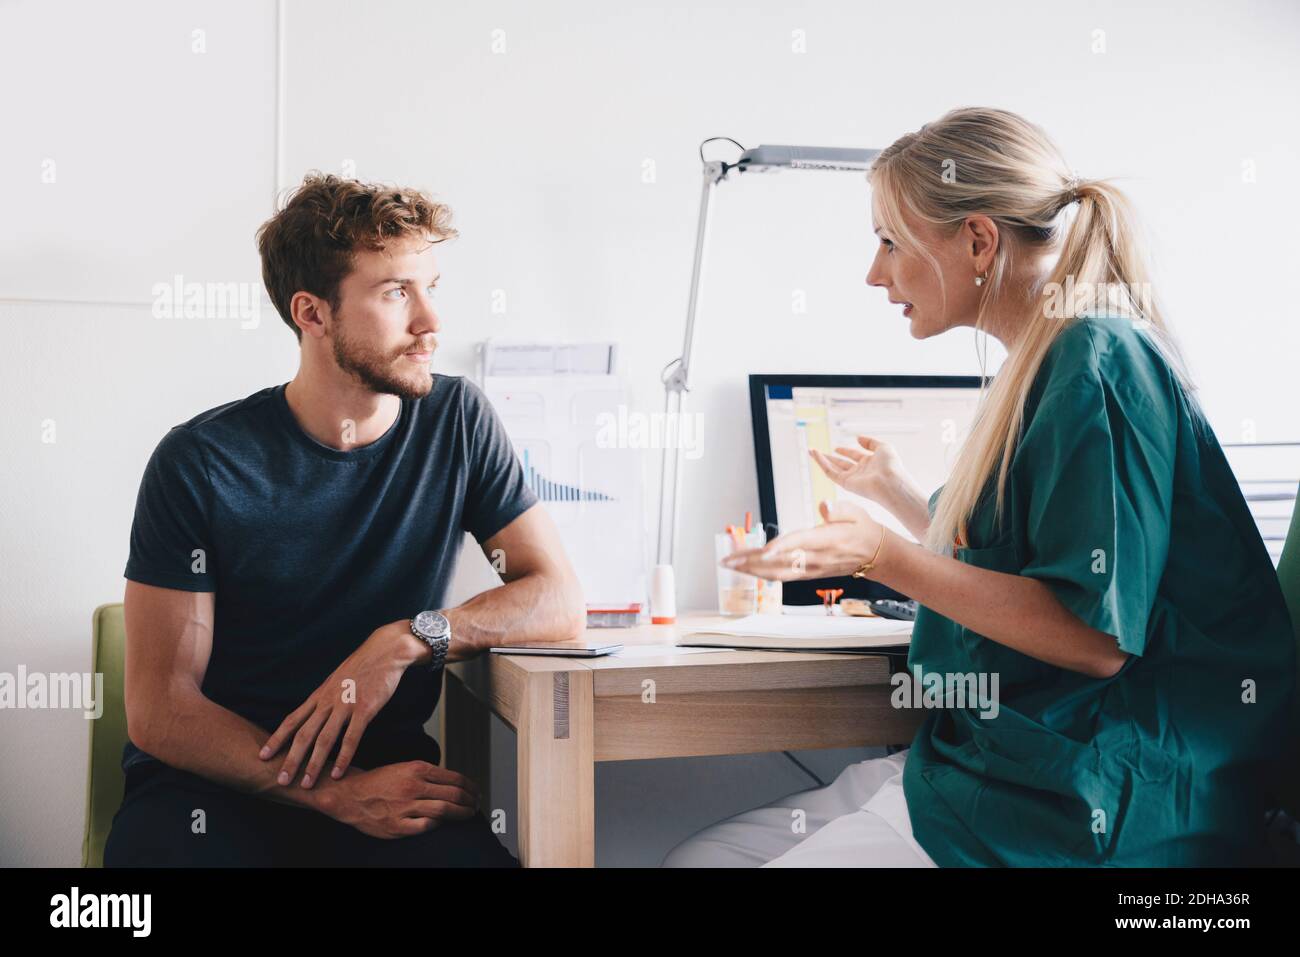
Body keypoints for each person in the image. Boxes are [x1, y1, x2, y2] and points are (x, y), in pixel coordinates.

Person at [664, 107, 1297, 867]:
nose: (875, 272)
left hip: (1098, 793)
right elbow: (1029, 550)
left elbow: (1093, 637)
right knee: (702, 858)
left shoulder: (1096, 359)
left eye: (890, 241)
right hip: (1004, 764)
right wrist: (898, 496)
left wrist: (881, 555)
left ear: (978, 240)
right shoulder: (1043, 363)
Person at [105, 173, 587, 867]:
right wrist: (334, 792)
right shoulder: (201, 461)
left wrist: (407, 639)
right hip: (212, 792)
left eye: (431, 287)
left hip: (390, 786)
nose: (431, 321)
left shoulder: (457, 420)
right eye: (397, 292)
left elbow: (560, 598)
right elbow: (161, 708)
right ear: (313, 313)